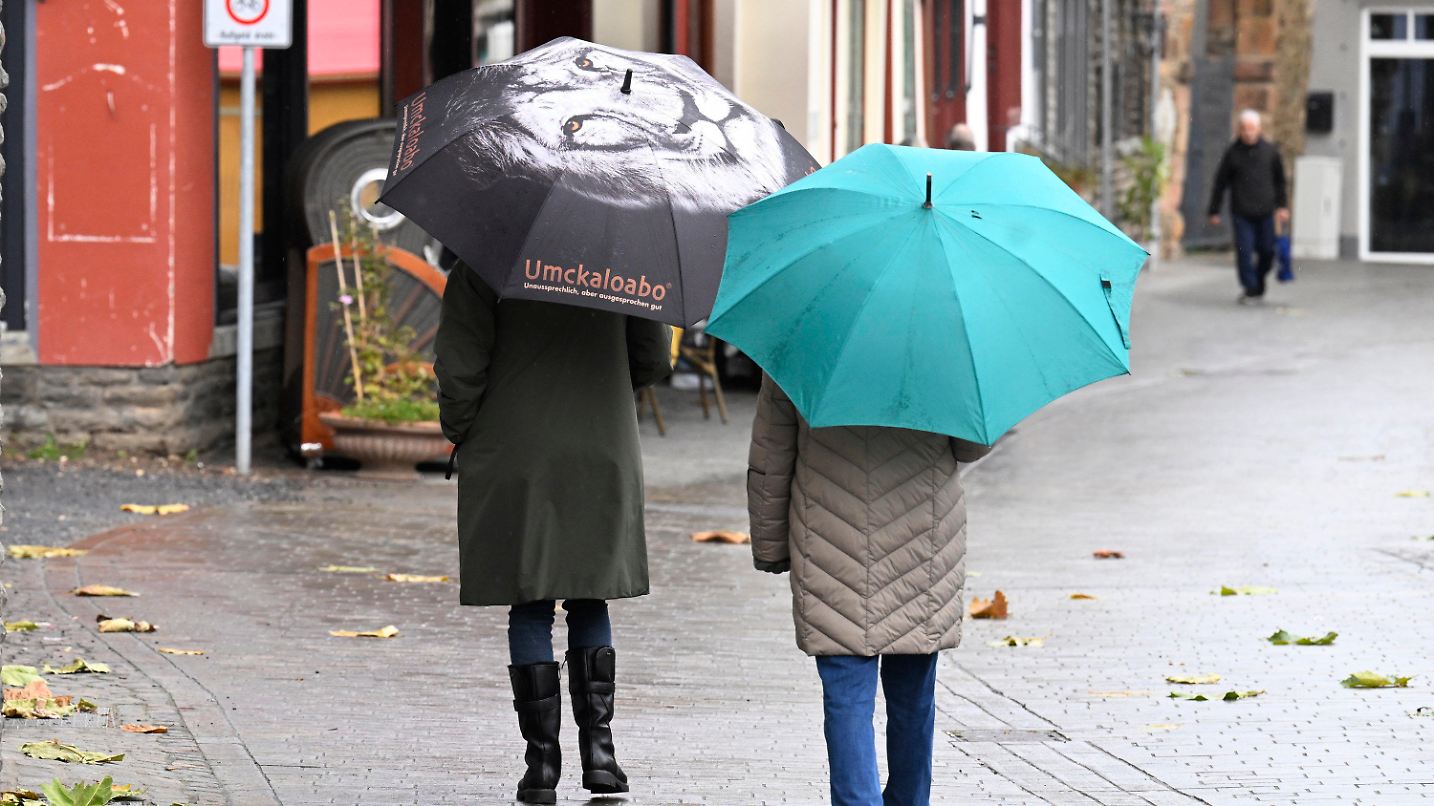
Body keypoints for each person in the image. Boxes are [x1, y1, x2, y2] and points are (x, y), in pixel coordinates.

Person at [433, 259, 672, 805]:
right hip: (602, 441)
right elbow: (653, 357)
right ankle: (601, 756)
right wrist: (601, 387)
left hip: (515, 446)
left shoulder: (486, 258)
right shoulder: (626, 257)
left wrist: (464, 429)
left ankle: (541, 766)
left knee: (530, 601)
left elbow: (460, 364)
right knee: (591, 597)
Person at [746, 376, 990, 806]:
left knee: (846, 698)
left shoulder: (799, 347)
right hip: (922, 545)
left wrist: (770, 546)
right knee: (913, 698)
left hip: (831, 542)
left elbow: (773, 451)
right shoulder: (943, 350)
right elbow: (971, 445)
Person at [1207, 109, 1289, 304]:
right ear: (1239, 130)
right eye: (1244, 129)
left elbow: (1280, 181)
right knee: (1244, 251)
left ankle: (1258, 281)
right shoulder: (1232, 153)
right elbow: (1220, 182)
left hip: (1266, 212)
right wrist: (1214, 209)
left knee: (1267, 251)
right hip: (1242, 212)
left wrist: (1282, 206)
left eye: (1252, 129)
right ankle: (1250, 288)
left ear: (1259, 129)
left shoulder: (1270, 151)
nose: (1248, 133)